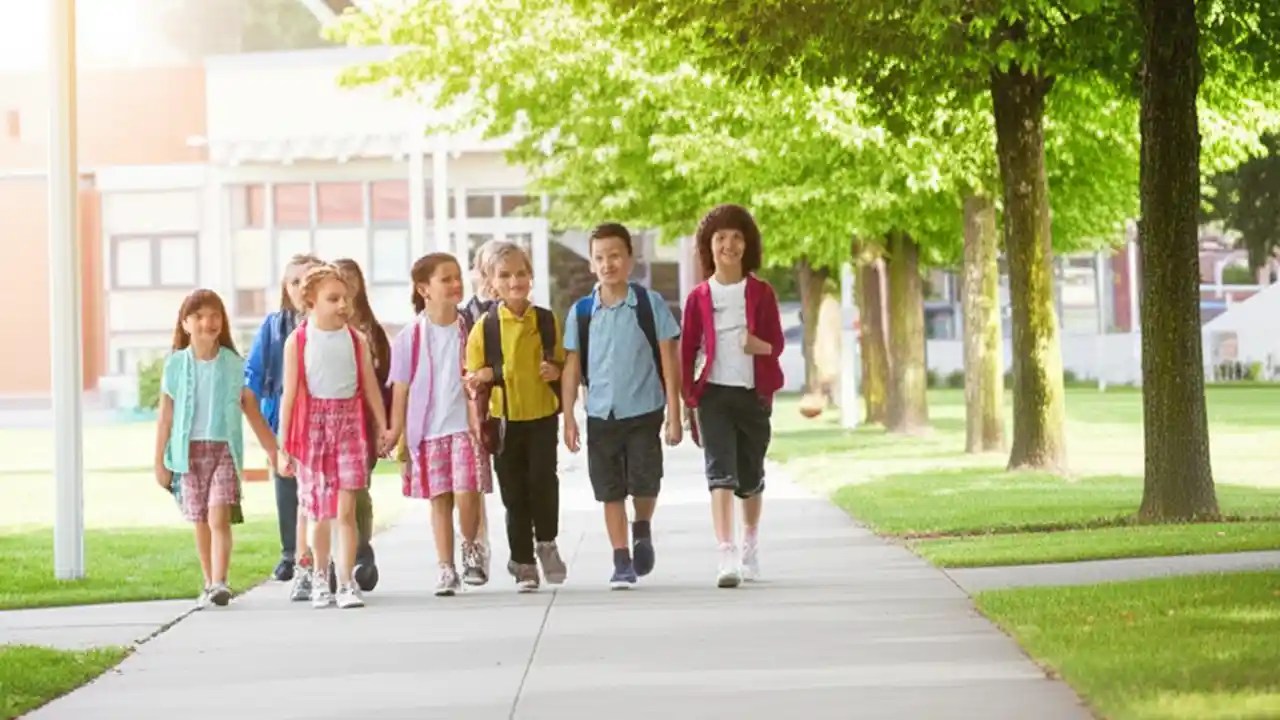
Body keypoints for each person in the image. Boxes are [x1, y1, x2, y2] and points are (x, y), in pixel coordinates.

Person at [562, 223, 682, 590]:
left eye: (615, 255)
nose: (607, 263)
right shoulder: (582, 312)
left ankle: (641, 525)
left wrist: (674, 416)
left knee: (646, 483)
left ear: (630, 259)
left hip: (644, 411)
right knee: (609, 489)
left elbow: (668, 360)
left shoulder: (649, 304)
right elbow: (571, 367)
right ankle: (621, 560)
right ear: (591, 264)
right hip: (601, 414)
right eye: (599, 257)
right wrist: (568, 417)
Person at [680, 204, 785, 588]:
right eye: (720, 237)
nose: (729, 244)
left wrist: (753, 344)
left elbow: (776, 345)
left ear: (748, 244)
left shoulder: (761, 293)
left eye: (737, 236)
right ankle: (726, 553)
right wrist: (685, 399)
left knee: (750, 477)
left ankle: (750, 545)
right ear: (709, 246)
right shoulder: (699, 297)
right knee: (719, 475)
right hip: (713, 395)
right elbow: (687, 348)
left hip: (753, 395)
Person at [277, 265, 393, 609]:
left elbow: (370, 386)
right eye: (333, 299)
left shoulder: (356, 340)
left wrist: (382, 426)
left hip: (349, 427)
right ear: (310, 301)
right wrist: (284, 446)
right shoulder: (298, 341)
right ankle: (319, 578)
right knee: (318, 513)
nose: (343, 305)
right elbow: (290, 394)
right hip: (313, 429)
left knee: (346, 511)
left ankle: (345, 582)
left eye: (345, 298)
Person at [155, 289, 280, 608]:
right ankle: (209, 581)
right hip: (188, 453)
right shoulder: (175, 366)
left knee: (219, 516)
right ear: (185, 323)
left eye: (214, 316)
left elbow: (251, 411)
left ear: (222, 322)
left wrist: (274, 452)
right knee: (200, 519)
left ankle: (221, 582)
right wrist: (160, 462)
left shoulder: (233, 365)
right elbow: (165, 417)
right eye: (198, 317)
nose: (207, 323)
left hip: (223, 450)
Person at [465, 241, 568, 593]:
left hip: (541, 415)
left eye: (521, 273)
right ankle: (523, 562)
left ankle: (547, 543)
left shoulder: (546, 320)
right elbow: (472, 372)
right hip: (505, 420)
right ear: (491, 283)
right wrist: (482, 376)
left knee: (544, 482)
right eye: (505, 275)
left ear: (531, 276)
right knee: (515, 493)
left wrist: (555, 370)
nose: (514, 281)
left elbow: (562, 363)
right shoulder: (486, 327)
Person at [388, 253, 493, 596]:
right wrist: (396, 431)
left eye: (457, 277)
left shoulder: (471, 328)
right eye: (445, 279)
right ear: (424, 288)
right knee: (440, 500)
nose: (455, 284)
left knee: (467, 493)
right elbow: (400, 388)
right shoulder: (410, 337)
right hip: (428, 431)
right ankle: (446, 567)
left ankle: (471, 548)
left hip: (465, 426)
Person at [245, 253, 322, 597]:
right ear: (286, 289)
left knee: (327, 495)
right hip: (283, 421)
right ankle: (291, 552)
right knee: (288, 487)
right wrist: (270, 444)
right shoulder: (273, 328)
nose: (303, 288)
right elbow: (252, 380)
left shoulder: (334, 323)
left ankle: (340, 556)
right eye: (295, 281)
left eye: (310, 279)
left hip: (324, 423)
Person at [332, 258, 390, 592]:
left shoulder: (371, 330)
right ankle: (336, 557)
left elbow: (384, 382)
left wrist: (384, 425)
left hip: (363, 422)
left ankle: (361, 552)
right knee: (333, 494)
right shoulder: (319, 329)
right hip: (330, 420)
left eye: (352, 280)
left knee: (358, 489)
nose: (347, 288)